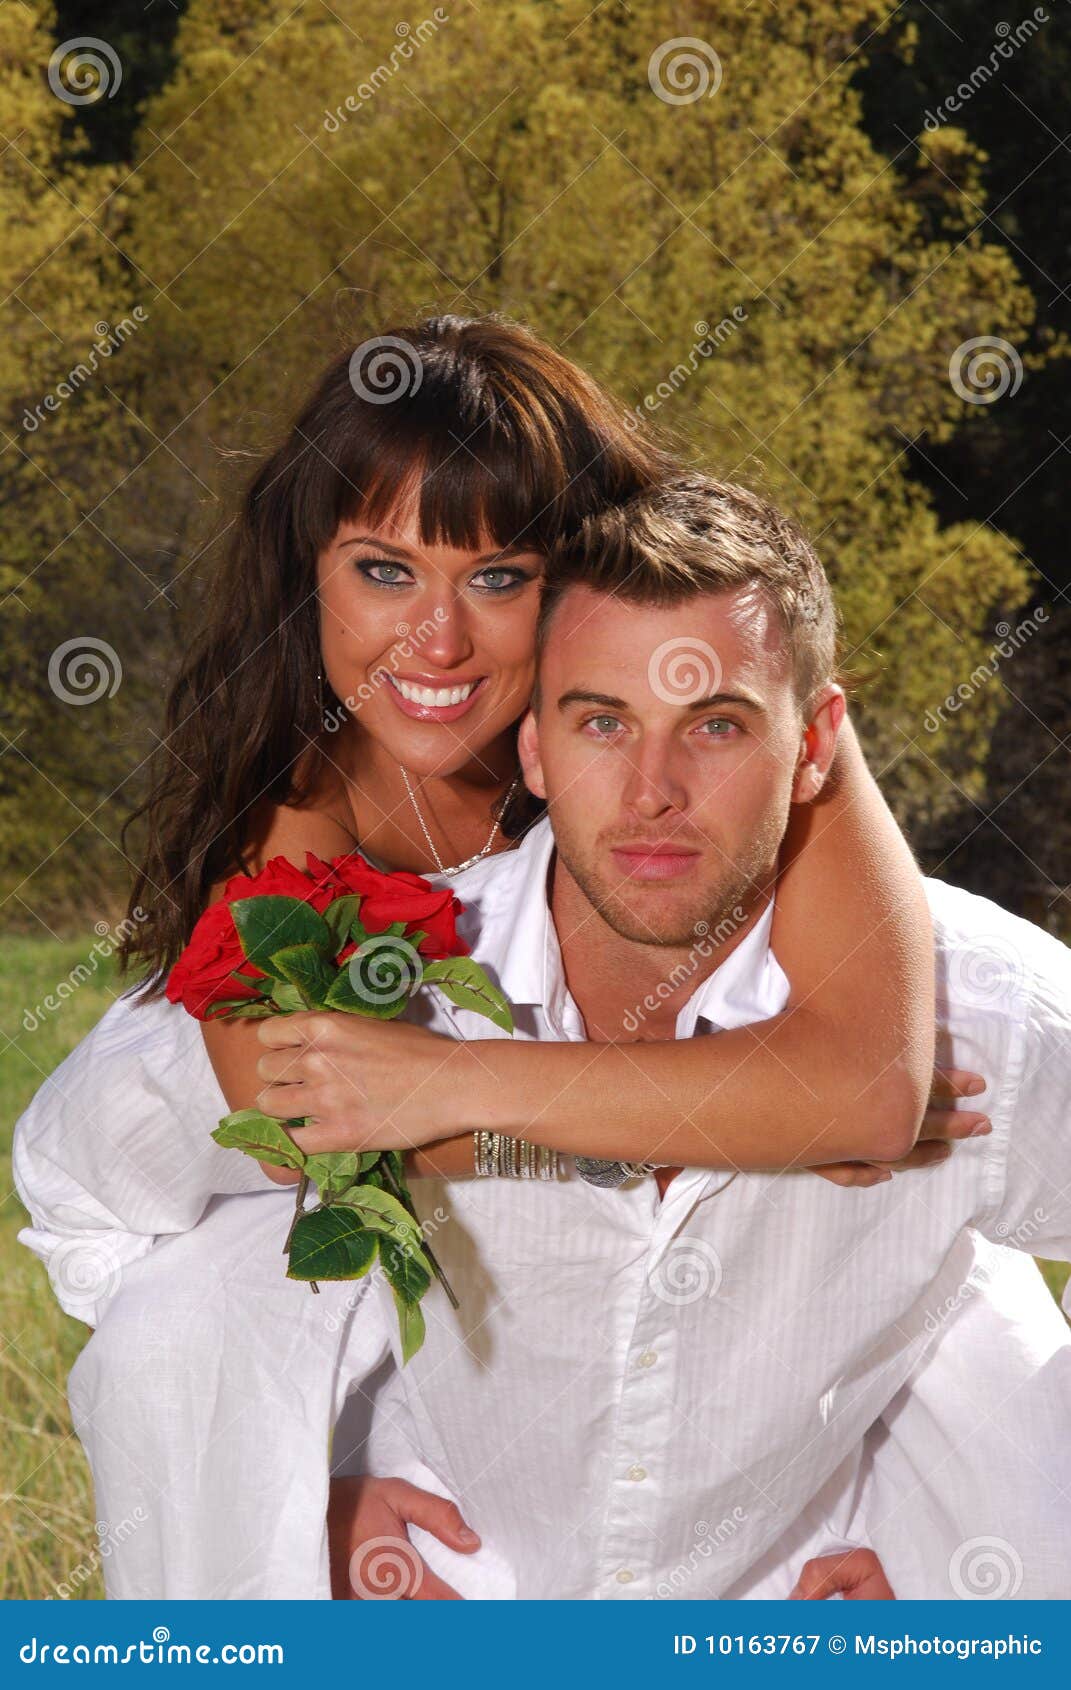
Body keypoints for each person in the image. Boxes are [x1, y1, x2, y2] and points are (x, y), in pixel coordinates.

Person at [8, 318, 1026, 1598]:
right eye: (384, 572)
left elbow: (865, 1091)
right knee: (201, 1309)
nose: (435, 644)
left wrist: (809, 1102)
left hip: (732, 1355)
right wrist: (749, 1115)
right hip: (434, 1333)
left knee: (972, 1317)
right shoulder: (302, 823)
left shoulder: (719, 728)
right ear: (306, 574)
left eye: (498, 579)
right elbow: (315, 1120)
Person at [247, 473, 1071, 1600]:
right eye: (601, 721)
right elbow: (111, 1217)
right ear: (532, 748)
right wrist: (296, 1500)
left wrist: (957, 1550)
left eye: (717, 725)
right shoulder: (383, 975)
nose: (652, 792)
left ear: (817, 741)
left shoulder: (973, 1009)